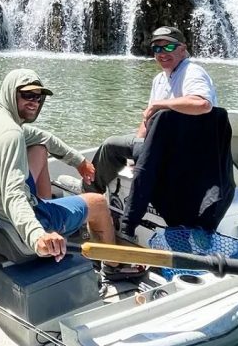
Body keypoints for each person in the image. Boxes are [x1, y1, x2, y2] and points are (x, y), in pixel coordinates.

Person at [0, 68, 139, 279]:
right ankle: (113, 266)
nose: (34, 102)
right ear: (11, 93)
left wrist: (79, 161)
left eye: (38, 97)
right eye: (27, 95)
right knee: (98, 203)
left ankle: (47, 209)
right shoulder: (11, 134)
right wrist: (37, 234)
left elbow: (43, 137)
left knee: (39, 149)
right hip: (13, 226)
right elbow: (13, 195)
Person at [93, 24, 219, 217]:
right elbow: (147, 119)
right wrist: (138, 149)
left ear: (183, 49)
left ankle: (89, 194)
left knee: (110, 145)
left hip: (185, 149)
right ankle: (96, 195)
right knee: (126, 144)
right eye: (157, 48)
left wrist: (160, 104)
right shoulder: (159, 79)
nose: (162, 53)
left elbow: (203, 104)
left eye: (169, 47)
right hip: (162, 146)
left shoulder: (192, 71)